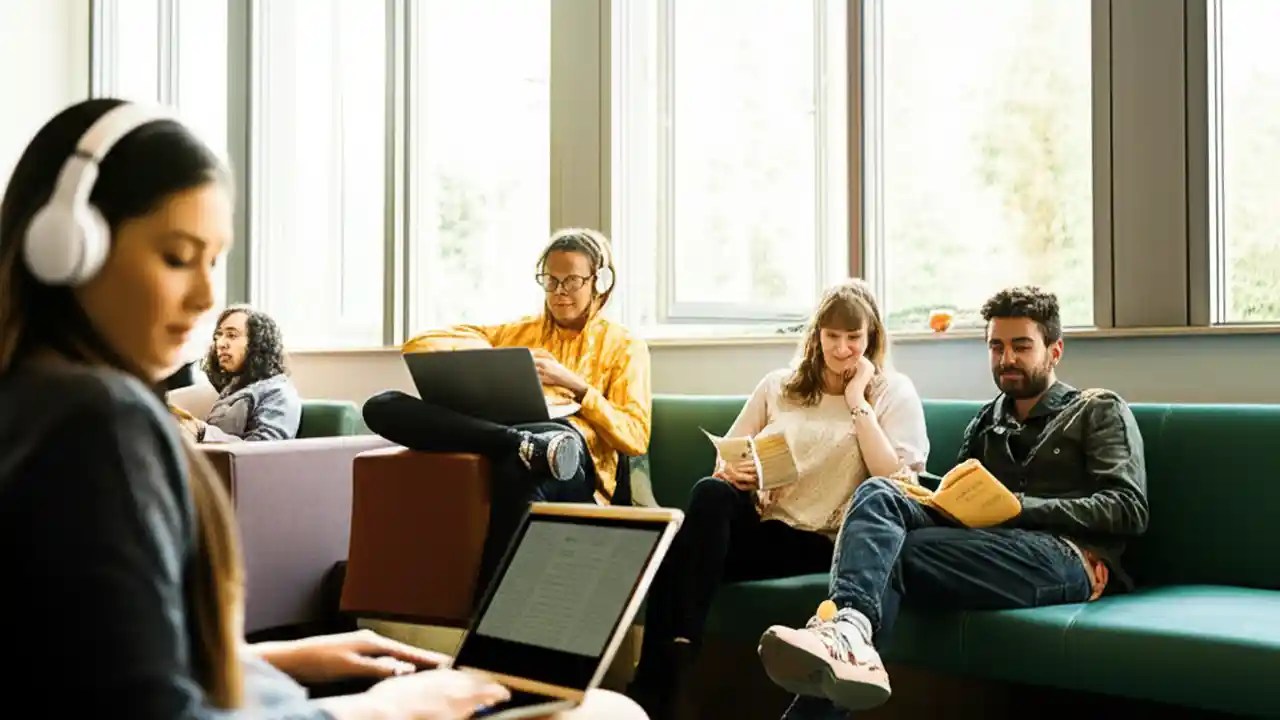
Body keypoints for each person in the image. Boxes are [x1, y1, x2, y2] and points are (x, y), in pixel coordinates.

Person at [0, 97, 646, 719]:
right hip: (503, 444)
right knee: (609, 712)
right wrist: (382, 712)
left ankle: (524, 463)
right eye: (176, 257)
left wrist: (276, 659)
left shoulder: (43, 403)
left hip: (579, 460)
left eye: (216, 260)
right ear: (67, 246)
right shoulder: (99, 421)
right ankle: (521, 448)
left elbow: (95, 666)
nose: (204, 297)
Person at [757, 286, 1150, 719]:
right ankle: (851, 633)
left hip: (1067, 557)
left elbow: (1128, 509)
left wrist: (1020, 507)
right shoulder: (986, 421)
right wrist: (918, 491)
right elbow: (952, 503)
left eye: (1022, 346)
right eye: (996, 347)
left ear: (1055, 351)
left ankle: (847, 633)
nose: (1007, 359)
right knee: (879, 492)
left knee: (888, 559)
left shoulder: (1097, 409)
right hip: (984, 549)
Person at [626, 279, 929, 720]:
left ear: (872, 338)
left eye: (854, 338)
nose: (842, 349)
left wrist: (856, 400)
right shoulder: (779, 385)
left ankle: (658, 679)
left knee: (676, 555)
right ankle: (682, 645)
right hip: (767, 527)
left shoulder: (892, 391)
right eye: (832, 337)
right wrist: (735, 472)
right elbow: (724, 458)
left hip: (825, 542)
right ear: (817, 336)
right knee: (708, 493)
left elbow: (896, 482)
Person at [362, 228, 652, 588]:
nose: (559, 292)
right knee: (382, 406)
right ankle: (512, 440)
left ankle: (487, 608)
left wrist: (576, 386)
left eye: (572, 281)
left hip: (574, 458)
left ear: (599, 282)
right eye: (551, 281)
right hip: (516, 438)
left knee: (533, 459)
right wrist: (495, 360)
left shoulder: (625, 346)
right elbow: (421, 343)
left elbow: (636, 437)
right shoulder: (517, 333)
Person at [171, 303, 301, 442]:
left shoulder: (277, 392)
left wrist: (202, 431)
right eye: (218, 336)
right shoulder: (232, 389)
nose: (220, 344)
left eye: (232, 335)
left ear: (257, 342)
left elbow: (263, 452)